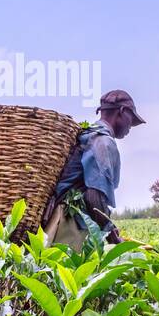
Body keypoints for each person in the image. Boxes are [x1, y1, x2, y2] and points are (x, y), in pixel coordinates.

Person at [43, 89, 146, 250]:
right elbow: (94, 197)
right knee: (67, 273)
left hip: (58, 219)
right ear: (122, 111)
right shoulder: (103, 142)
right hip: (69, 226)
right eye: (130, 119)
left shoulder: (87, 135)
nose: (130, 126)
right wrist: (111, 234)